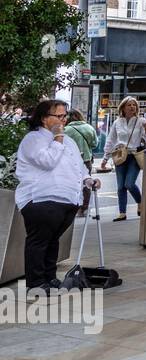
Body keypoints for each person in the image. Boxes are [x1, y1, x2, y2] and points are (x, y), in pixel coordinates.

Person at [16, 100, 99, 293]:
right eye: (58, 116)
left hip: (68, 199)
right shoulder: (33, 139)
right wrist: (58, 139)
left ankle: (49, 278)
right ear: (45, 118)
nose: (63, 120)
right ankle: (35, 283)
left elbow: (78, 166)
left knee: (53, 240)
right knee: (39, 241)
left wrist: (88, 180)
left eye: (65, 116)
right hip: (41, 198)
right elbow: (47, 161)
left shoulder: (68, 140)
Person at [100, 96, 146, 222]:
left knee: (129, 184)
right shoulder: (117, 122)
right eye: (129, 105)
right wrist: (105, 158)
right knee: (121, 187)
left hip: (134, 156)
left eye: (134, 105)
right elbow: (110, 140)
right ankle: (122, 213)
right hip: (120, 155)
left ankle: (141, 202)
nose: (132, 107)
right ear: (123, 108)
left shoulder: (141, 121)